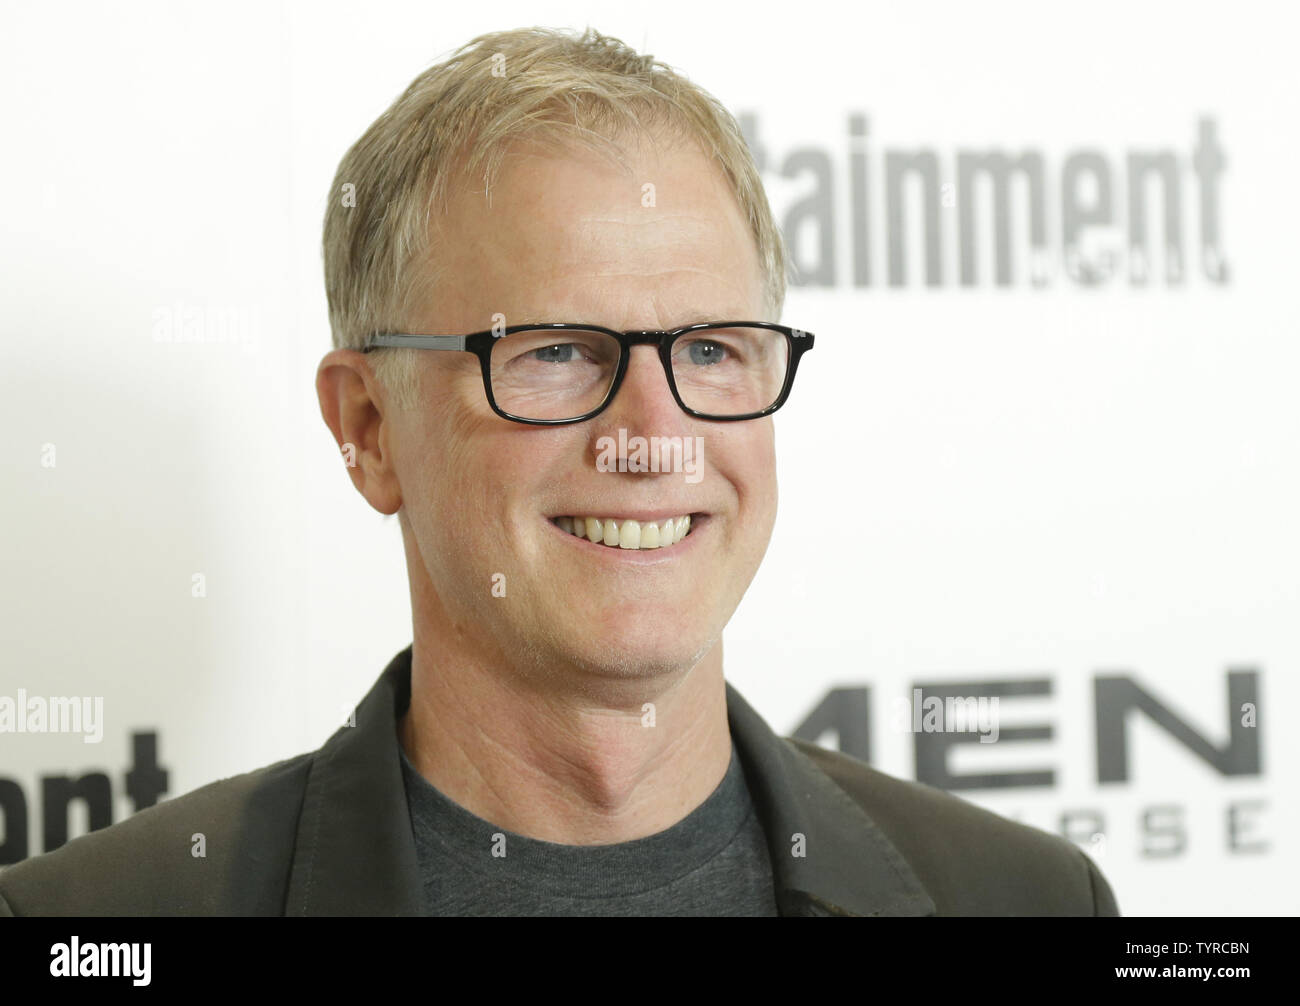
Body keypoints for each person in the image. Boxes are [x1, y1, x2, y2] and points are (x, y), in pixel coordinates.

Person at [0, 26, 1118, 917]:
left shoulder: (1024, 900)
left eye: (711, 350)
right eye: (553, 353)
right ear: (369, 428)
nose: (651, 433)